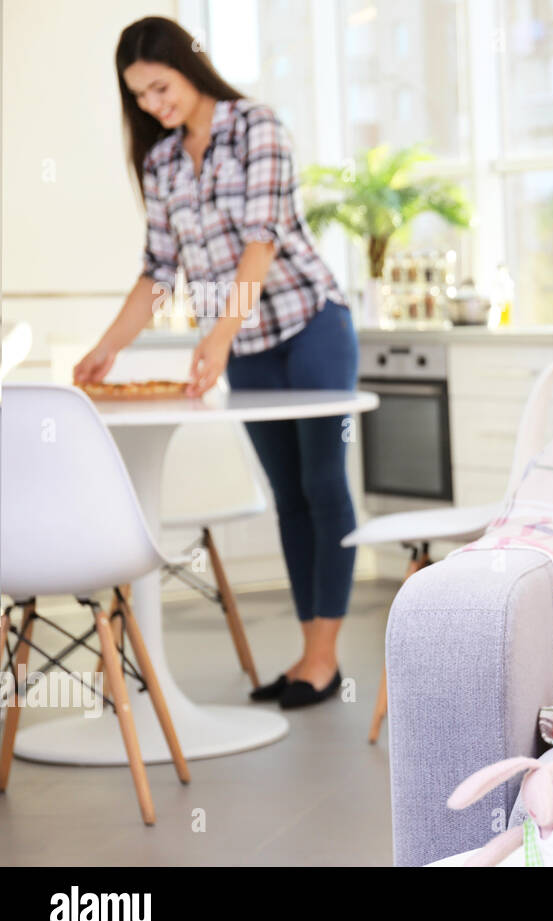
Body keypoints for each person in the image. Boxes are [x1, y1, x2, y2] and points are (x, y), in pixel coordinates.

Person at [74, 16, 358, 709]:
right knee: (289, 497)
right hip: (250, 348)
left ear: (189, 69)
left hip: (310, 326)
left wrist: (218, 336)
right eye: (139, 96)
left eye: (160, 87)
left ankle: (325, 660)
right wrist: (107, 347)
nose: (152, 105)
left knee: (323, 484)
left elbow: (259, 244)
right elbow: (158, 272)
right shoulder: (163, 162)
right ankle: (305, 653)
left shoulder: (256, 127)